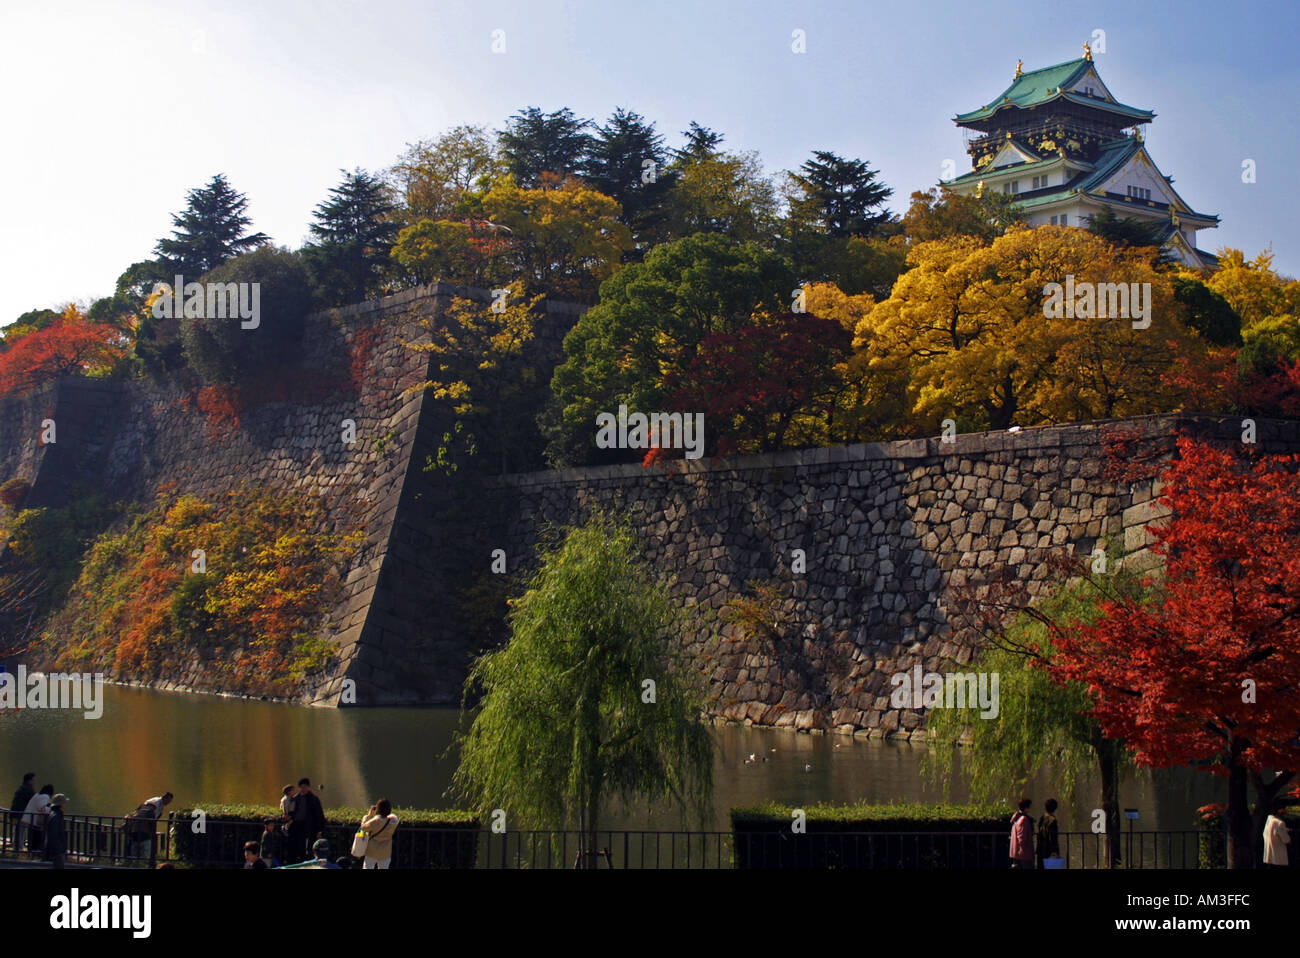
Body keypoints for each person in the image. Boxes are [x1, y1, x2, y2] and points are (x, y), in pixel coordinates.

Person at [127, 792, 173, 862]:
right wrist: (152, 830)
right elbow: (150, 814)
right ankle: (146, 862)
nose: (169, 803)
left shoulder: (158, 803)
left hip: (138, 826)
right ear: (165, 797)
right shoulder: (156, 803)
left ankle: (135, 862)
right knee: (145, 850)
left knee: (136, 850)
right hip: (144, 827)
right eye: (169, 800)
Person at [288, 778, 326, 863]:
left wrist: (320, 829)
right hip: (297, 827)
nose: (303, 789)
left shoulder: (314, 799)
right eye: (301, 787)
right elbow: (291, 812)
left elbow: (319, 815)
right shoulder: (295, 798)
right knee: (297, 848)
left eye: (305, 787)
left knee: (310, 849)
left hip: (310, 828)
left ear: (308, 787)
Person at [358, 799, 399, 870]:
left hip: (372, 851)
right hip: (386, 852)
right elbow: (394, 816)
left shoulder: (375, 821)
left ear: (378, 809)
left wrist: (369, 815)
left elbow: (363, 827)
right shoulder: (393, 821)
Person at [21, 785, 54, 854]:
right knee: (36, 838)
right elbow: (42, 808)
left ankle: (31, 852)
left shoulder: (37, 795)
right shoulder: (45, 796)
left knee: (32, 838)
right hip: (35, 822)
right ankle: (35, 852)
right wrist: (51, 809)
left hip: (30, 819)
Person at [10, 773, 36, 850]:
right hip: (21, 815)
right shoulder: (28, 790)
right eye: (33, 780)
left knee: (18, 832)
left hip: (16, 813)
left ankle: (17, 848)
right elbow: (32, 801)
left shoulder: (21, 788)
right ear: (29, 781)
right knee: (20, 832)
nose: (34, 782)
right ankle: (18, 850)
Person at [44, 794, 68, 869]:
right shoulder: (56, 816)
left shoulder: (53, 814)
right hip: (57, 851)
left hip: (55, 849)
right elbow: (54, 834)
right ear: (61, 804)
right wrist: (60, 850)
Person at [1009, 797, 1034, 869]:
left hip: (1016, 852)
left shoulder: (1016, 818)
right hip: (1023, 854)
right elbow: (1021, 837)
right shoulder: (1024, 819)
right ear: (1026, 807)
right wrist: (1022, 849)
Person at [1036, 797, 1061, 868]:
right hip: (1049, 851)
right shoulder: (1052, 820)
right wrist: (1054, 851)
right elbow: (1053, 837)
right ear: (1055, 808)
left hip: (1041, 850)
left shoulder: (1042, 818)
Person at [1264, 804, 1291, 868]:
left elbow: (1272, 830)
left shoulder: (1269, 819)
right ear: (1278, 810)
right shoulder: (1279, 823)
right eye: (1283, 809)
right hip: (1279, 859)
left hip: (1270, 857)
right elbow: (1287, 840)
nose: (1285, 811)